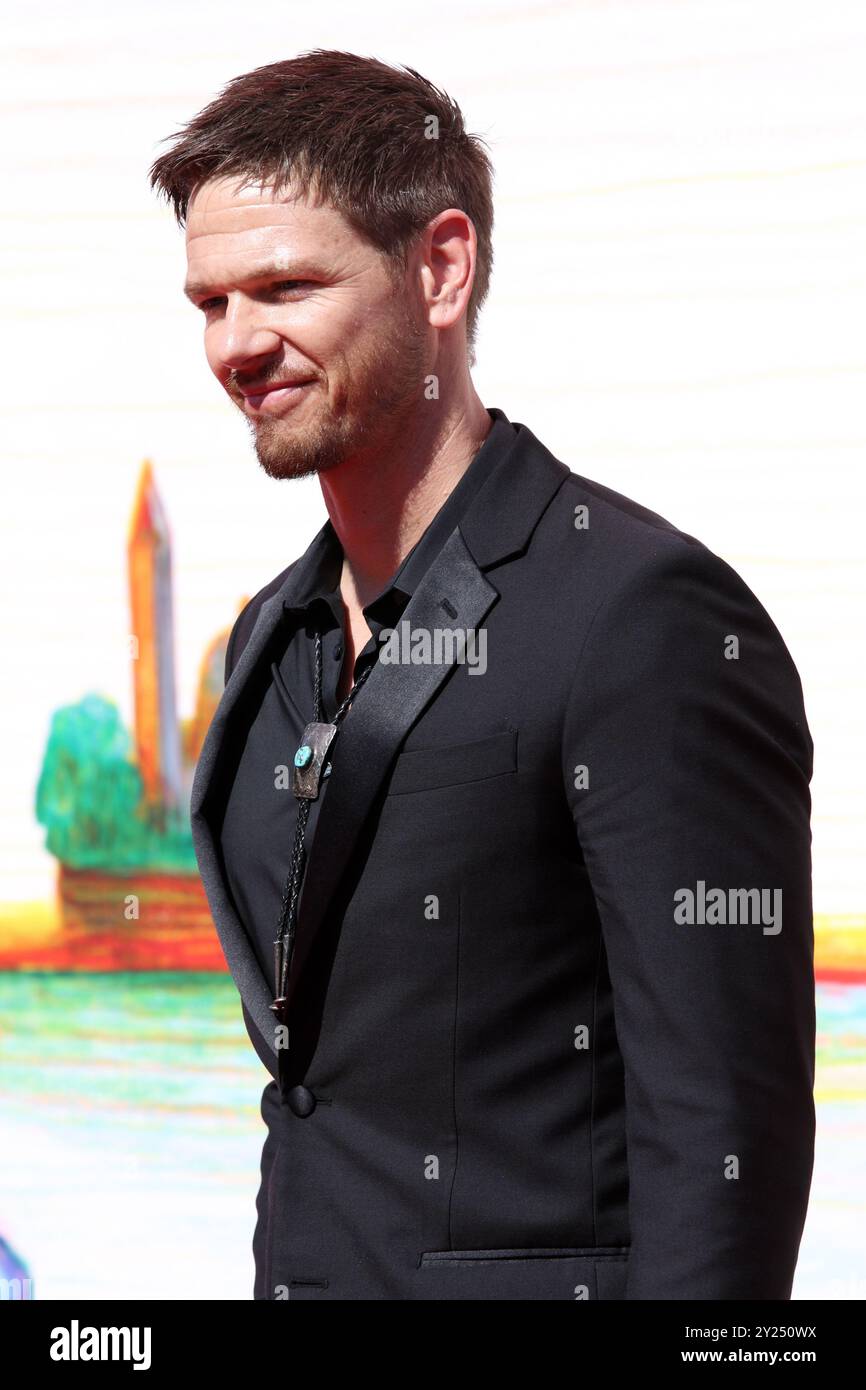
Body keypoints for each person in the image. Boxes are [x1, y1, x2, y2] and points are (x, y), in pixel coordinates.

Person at [150, 49, 815, 1301]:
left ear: (439, 268)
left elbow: (724, 1130)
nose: (237, 344)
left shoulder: (637, 617)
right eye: (208, 302)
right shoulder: (269, 641)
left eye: (284, 285)